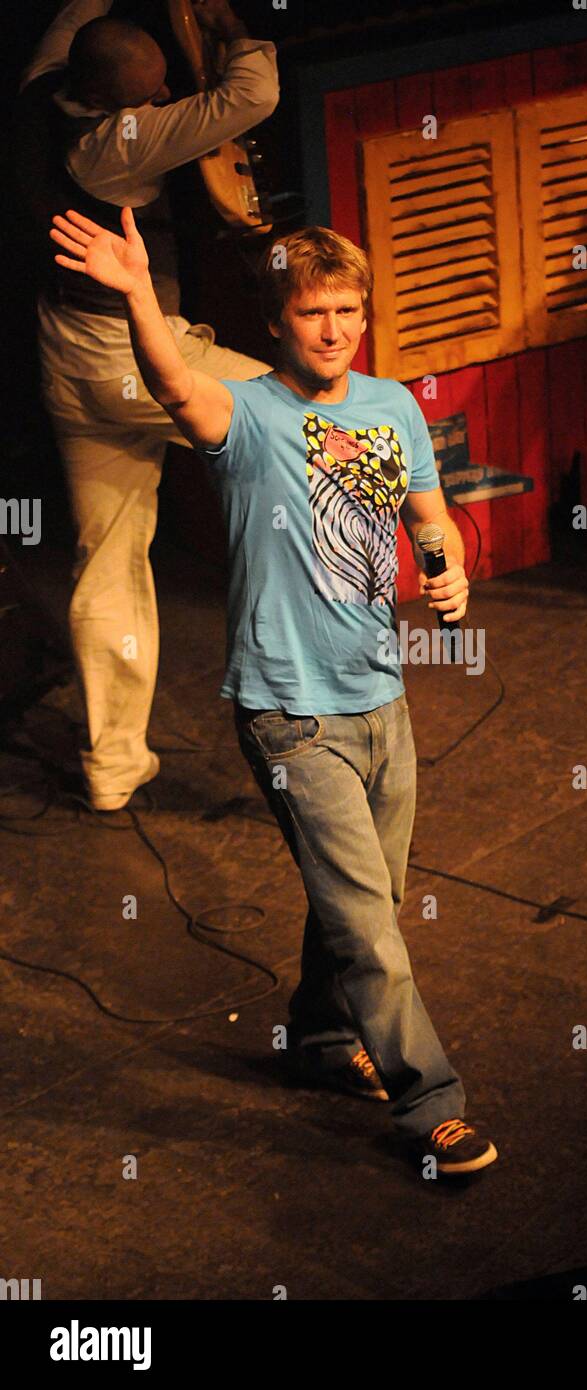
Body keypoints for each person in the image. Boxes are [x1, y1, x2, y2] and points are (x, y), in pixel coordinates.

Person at [48, 202, 499, 1176]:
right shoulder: (247, 414)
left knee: (361, 898)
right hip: (291, 719)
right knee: (371, 928)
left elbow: (429, 510)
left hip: (382, 702)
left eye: (346, 309)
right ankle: (430, 1104)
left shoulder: (389, 407)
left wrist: (443, 560)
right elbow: (172, 382)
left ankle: (323, 1040)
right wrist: (137, 296)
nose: (331, 328)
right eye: (311, 313)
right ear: (276, 324)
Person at [17, 0, 279, 810]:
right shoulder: (116, 145)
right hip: (125, 358)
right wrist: (231, 28)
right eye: (154, 96)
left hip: (64, 353)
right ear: (114, 105)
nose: (166, 104)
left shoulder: (44, 84)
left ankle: (112, 766)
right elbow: (254, 95)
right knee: (302, 416)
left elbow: (74, 14)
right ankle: (318, 692)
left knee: (108, 559)